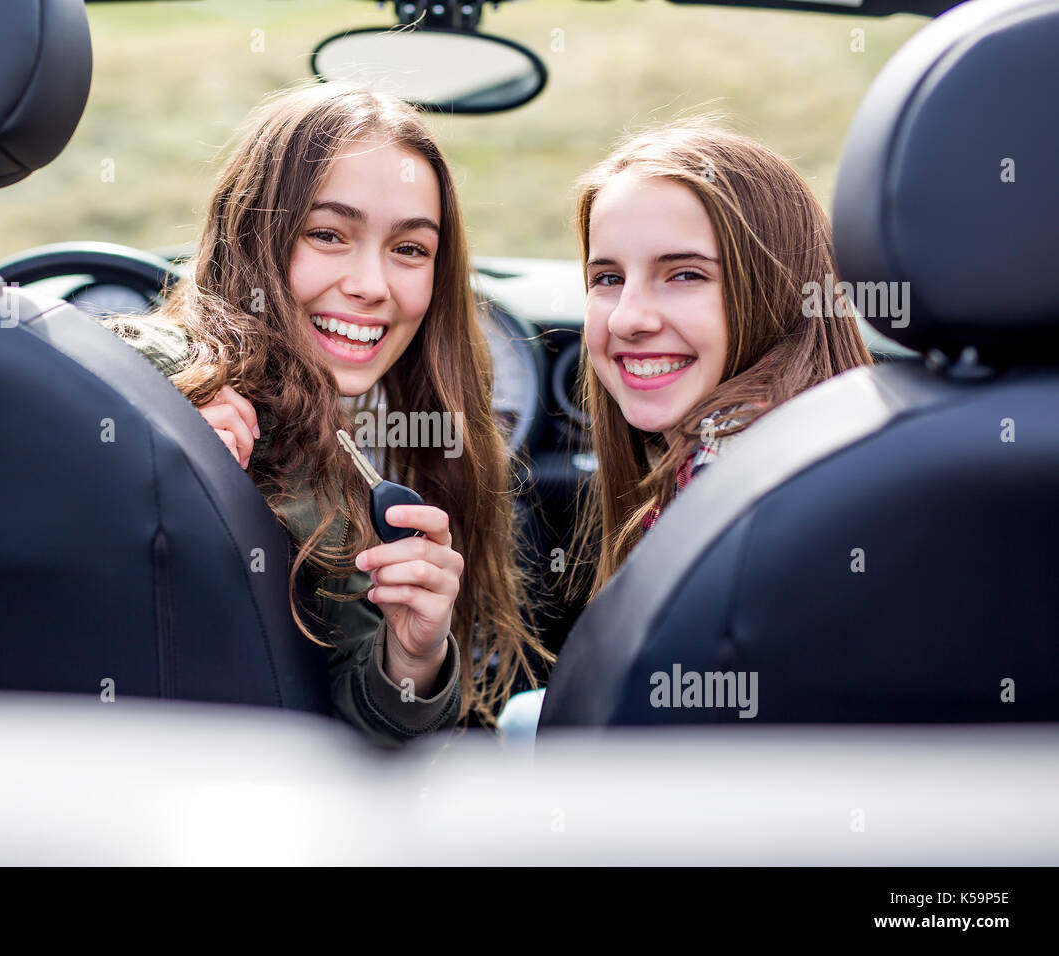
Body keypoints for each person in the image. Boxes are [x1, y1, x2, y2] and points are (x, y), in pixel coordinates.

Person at [106, 82, 552, 747]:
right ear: (253, 233)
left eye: (409, 249)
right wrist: (152, 463)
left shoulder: (349, 471)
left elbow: (358, 738)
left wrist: (413, 659)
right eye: (327, 234)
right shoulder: (155, 378)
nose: (371, 284)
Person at [500, 122, 872, 741]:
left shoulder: (729, 489)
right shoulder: (833, 437)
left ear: (776, 287)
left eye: (686, 275)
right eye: (607, 278)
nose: (629, 318)